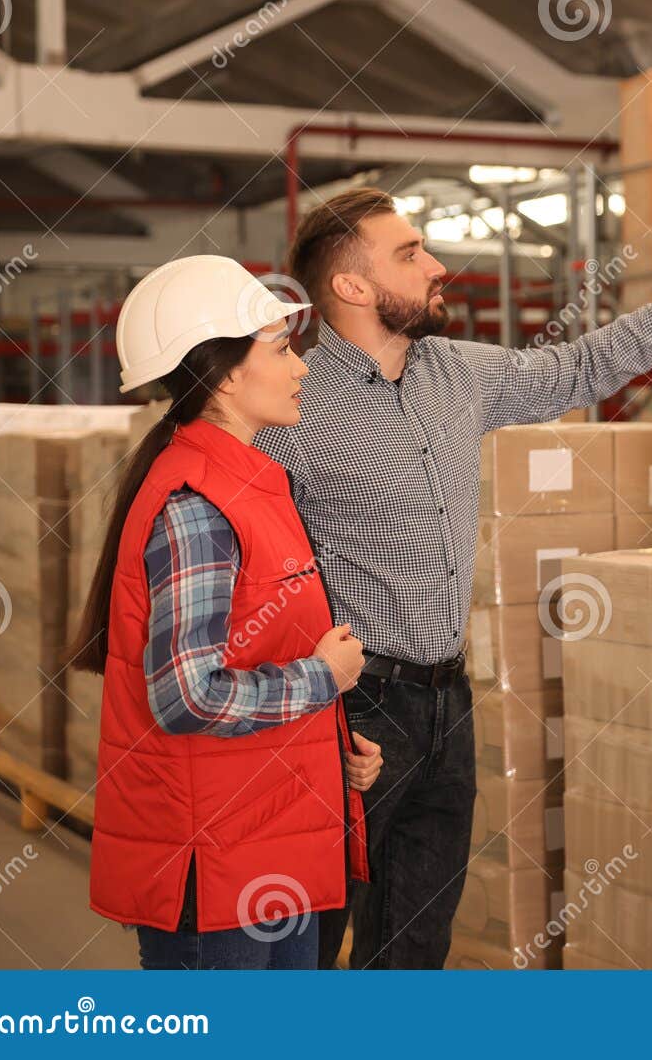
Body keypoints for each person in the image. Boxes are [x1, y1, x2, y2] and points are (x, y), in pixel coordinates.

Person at [254, 189, 652, 968]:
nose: (438, 266)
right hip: (352, 712)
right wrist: (310, 707)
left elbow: (583, 367)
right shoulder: (294, 406)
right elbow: (255, 574)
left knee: (415, 942)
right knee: (308, 942)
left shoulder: (459, 373)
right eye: (411, 253)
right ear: (353, 289)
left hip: (444, 705)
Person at [70, 255, 385, 969]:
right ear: (224, 376)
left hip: (267, 843)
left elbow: (256, 651)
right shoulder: (198, 505)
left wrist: (329, 750)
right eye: (280, 349)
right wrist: (323, 679)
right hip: (216, 866)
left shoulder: (250, 482)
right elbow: (187, 694)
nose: (301, 366)